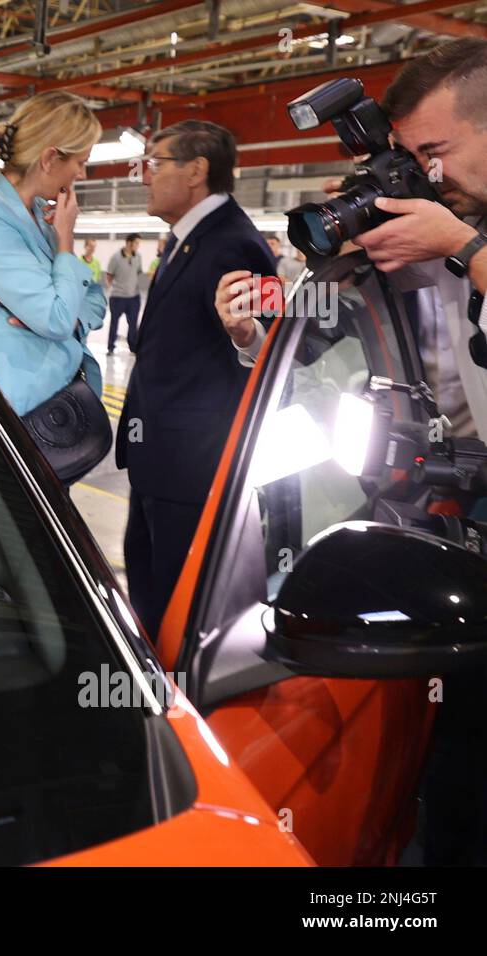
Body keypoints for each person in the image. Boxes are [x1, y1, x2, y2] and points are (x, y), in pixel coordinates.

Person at [219, 38, 487, 865]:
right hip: (456, 502)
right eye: (411, 157)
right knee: (457, 778)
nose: (425, 177)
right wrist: (264, 337)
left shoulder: (458, 239)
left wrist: (465, 251)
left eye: (435, 153)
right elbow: (359, 351)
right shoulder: (436, 232)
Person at [115, 120, 276, 642]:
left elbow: (267, 341)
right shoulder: (188, 239)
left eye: (156, 163)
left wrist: (247, 332)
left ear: (196, 171)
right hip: (158, 458)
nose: (144, 176)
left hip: (190, 465)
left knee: (178, 600)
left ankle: (178, 705)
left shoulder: (236, 244)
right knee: (148, 585)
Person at [0, 91, 108, 425]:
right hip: (17, 410)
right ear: (50, 159)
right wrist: (65, 241)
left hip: (55, 395)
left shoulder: (39, 214)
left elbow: (93, 299)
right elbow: (55, 318)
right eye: (80, 163)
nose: (81, 175)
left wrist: (71, 320)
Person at [104, 233, 146, 353]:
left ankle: (133, 347)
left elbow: (138, 272)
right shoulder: (115, 257)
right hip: (118, 297)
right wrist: (114, 288)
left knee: (133, 325)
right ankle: (111, 347)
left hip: (134, 297)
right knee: (114, 323)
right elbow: (109, 275)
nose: (138, 246)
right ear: (129, 243)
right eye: (136, 243)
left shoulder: (138, 256)